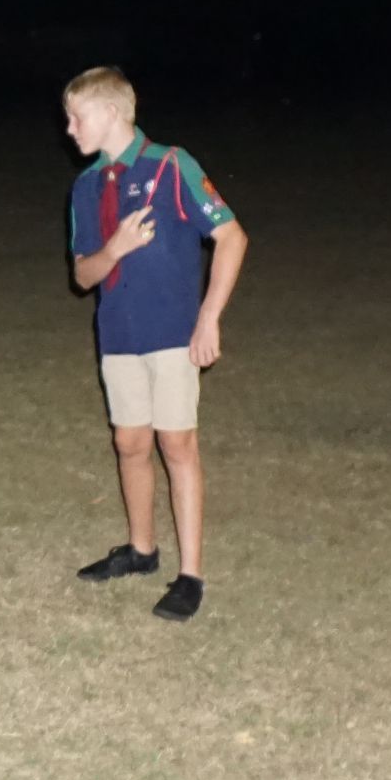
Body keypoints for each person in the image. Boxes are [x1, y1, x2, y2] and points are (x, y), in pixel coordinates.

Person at [62, 67, 250, 620]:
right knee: (130, 445)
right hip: (118, 334)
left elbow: (232, 237)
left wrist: (209, 318)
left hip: (172, 331)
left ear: (114, 112)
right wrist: (116, 247)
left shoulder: (171, 165)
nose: (69, 128)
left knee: (178, 446)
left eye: (77, 116)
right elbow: (83, 277)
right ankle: (142, 550)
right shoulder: (86, 186)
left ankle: (190, 576)